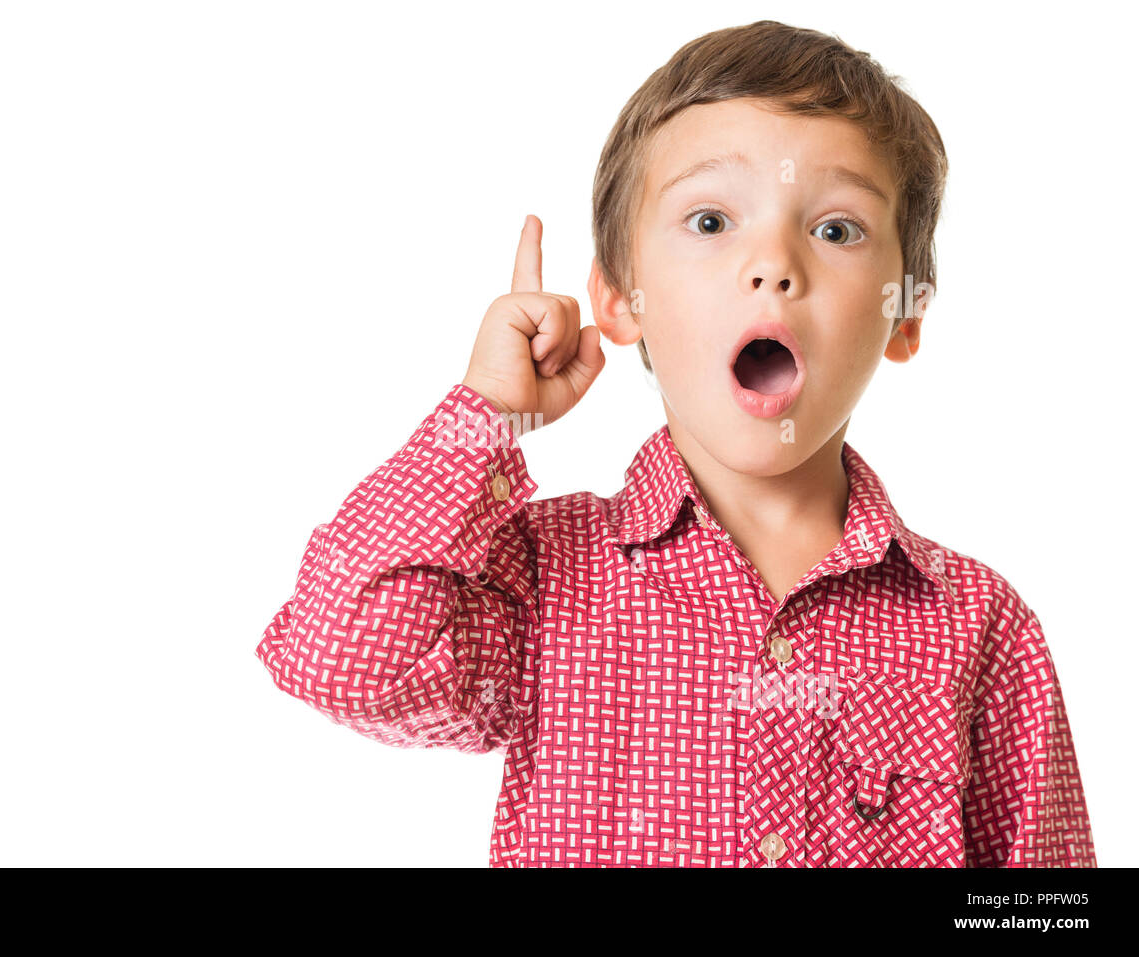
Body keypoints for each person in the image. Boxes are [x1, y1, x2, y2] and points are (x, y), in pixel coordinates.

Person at [255, 20, 1096, 868]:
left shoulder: (981, 627)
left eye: (836, 230)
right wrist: (487, 416)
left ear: (904, 314)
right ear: (622, 299)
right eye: (710, 219)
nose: (773, 264)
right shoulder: (546, 579)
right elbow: (339, 656)